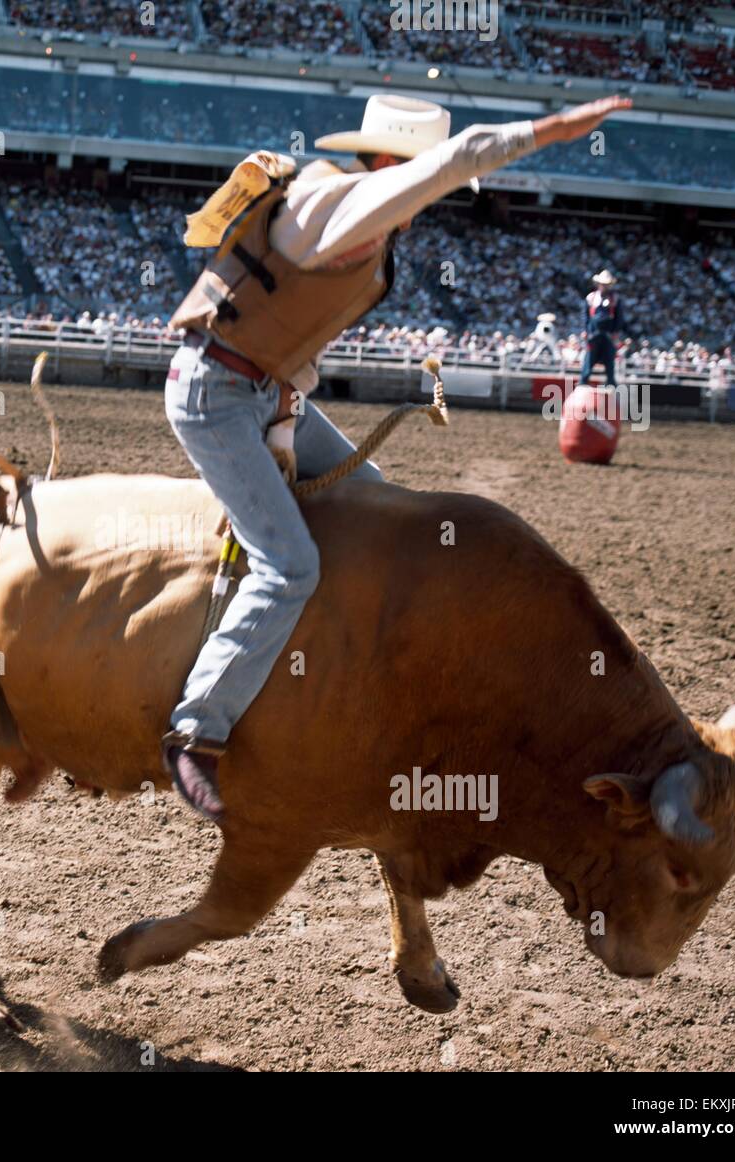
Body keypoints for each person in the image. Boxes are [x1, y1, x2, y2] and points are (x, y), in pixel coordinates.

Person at [161, 92, 632, 822]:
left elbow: (292, 339)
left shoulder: (342, 217)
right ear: (389, 166)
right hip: (216, 397)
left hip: (260, 389)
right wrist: (547, 132)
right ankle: (197, 729)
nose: (426, 203)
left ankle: (329, 665)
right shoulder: (342, 209)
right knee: (290, 565)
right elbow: (460, 156)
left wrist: (285, 426)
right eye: (420, 184)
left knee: (373, 501)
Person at [579, 269, 624, 387]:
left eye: (607, 284)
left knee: (609, 360)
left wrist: (616, 331)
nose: (605, 286)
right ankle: (583, 382)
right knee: (589, 359)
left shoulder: (615, 299)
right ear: (599, 284)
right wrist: (585, 330)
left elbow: (619, 317)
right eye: (603, 284)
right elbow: (585, 316)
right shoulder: (591, 298)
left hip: (608, 334)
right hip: (593, 333)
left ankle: (611, 383)